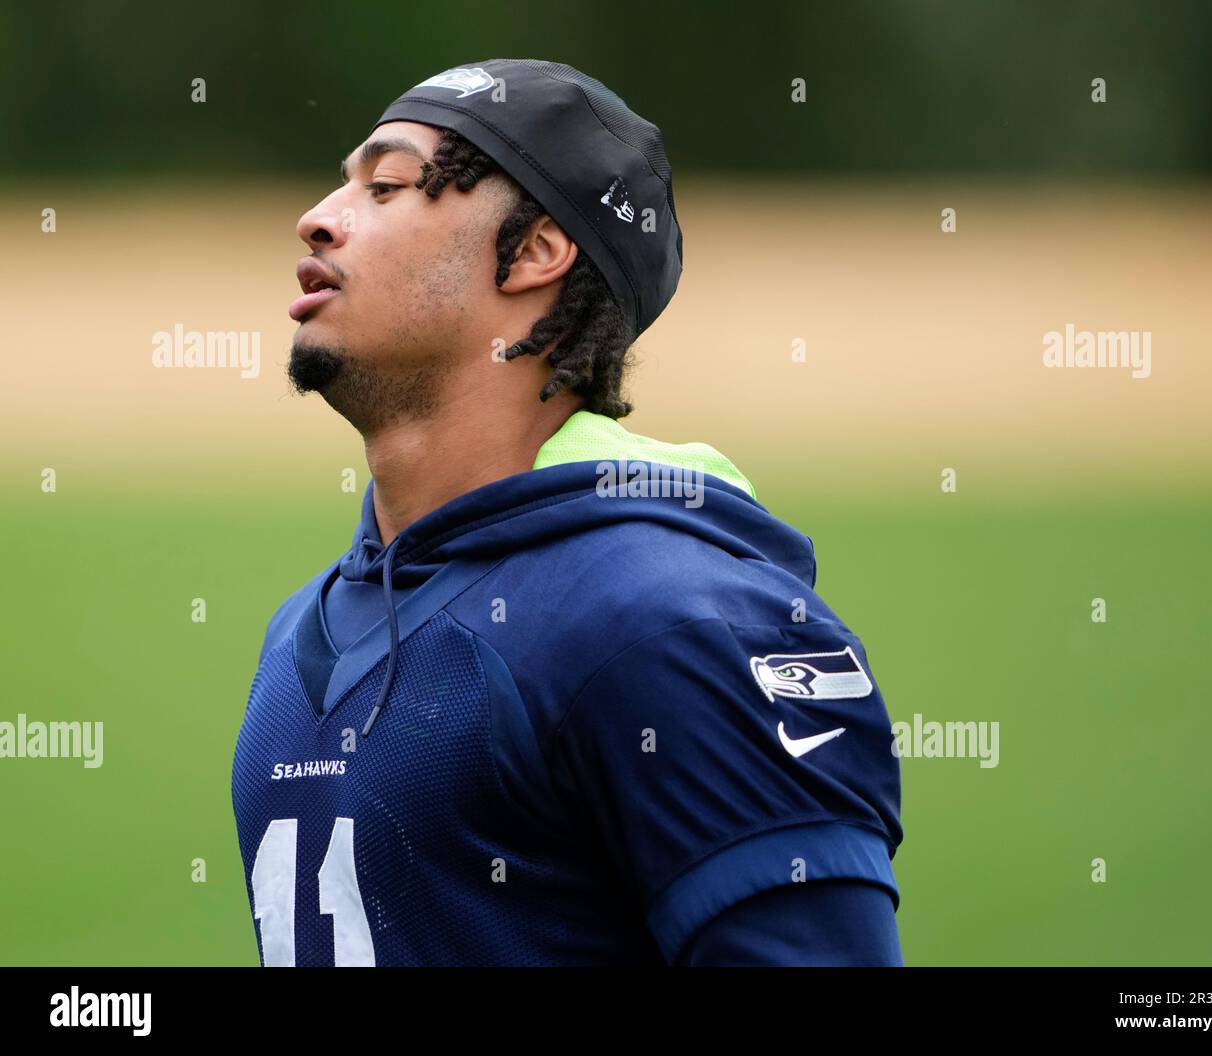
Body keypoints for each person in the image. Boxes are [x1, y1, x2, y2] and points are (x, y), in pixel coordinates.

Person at [231, 58, 903, 966]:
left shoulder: (679, 626)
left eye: (385, 185)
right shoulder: (299, 636)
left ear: (536, 252)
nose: (318, 216)